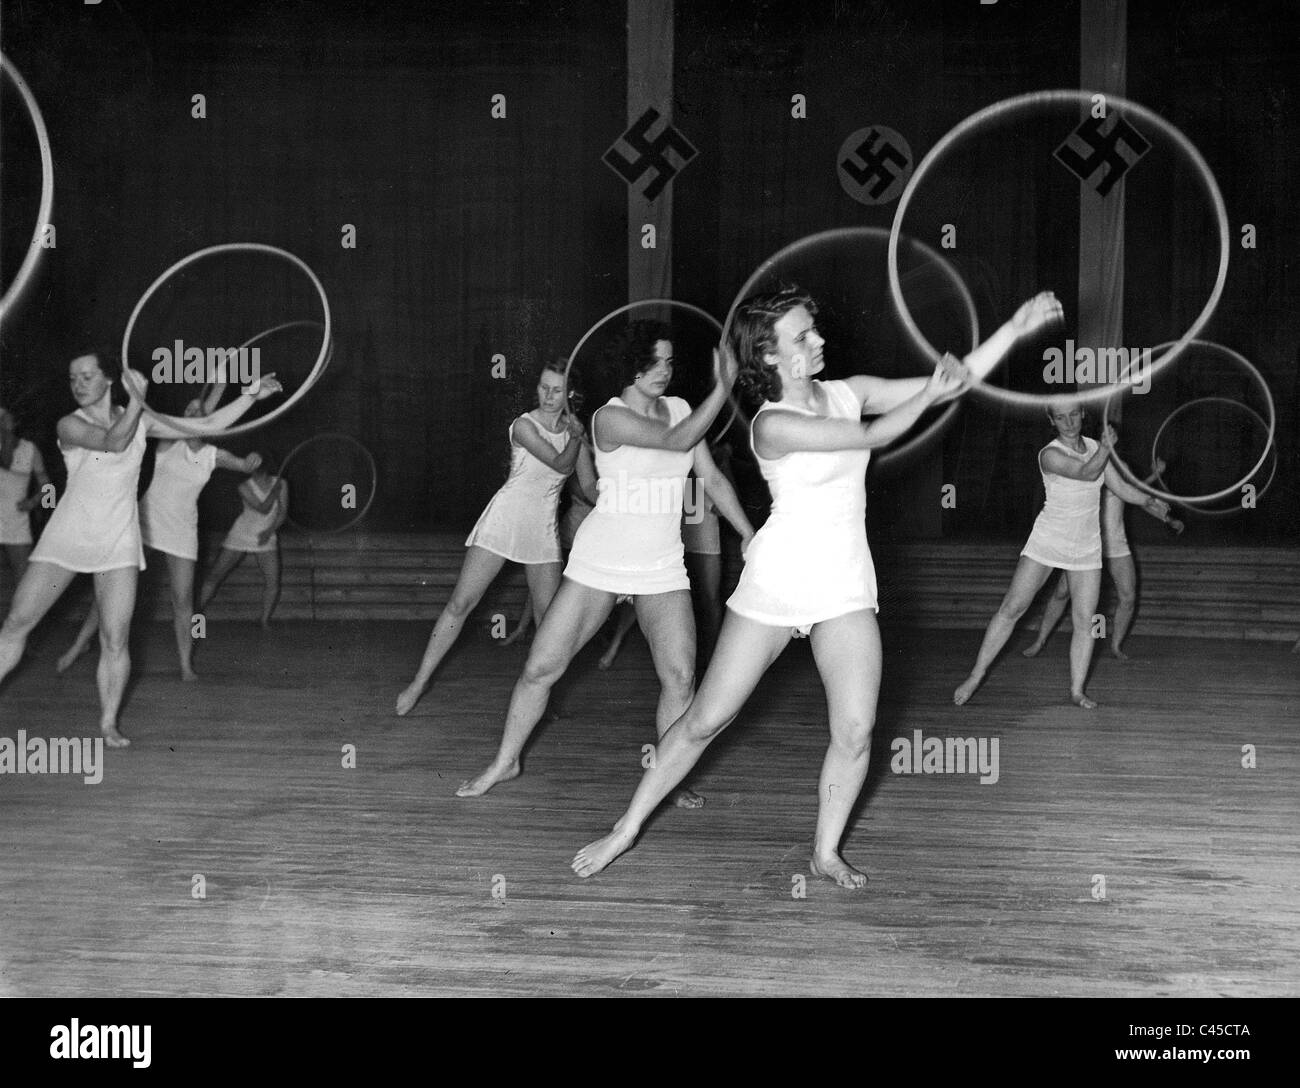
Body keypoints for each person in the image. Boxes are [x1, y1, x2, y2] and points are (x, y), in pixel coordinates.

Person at [571, 287, 1063, 885]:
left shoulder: (845, 392)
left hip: (844, 581)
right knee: (704, 720)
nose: (819, 340)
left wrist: (1012, 325)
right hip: (778, 582)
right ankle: (624, 830)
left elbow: (949, 382)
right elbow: (874, 437)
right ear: (771, 357)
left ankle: (824, 852)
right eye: (802, 336)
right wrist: (932, 392)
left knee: (856, 731)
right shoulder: (771, 425)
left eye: (815, 330)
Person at [456, 321, 754, 803]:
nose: (665, 370)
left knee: (680, 677)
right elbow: (676, 441)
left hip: (661, 564)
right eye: (654, 361)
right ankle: (505, 761)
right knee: (540, 669)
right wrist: (724, 386)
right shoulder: (606, 419)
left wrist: (748, 533)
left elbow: (713, 479)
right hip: (601, 559)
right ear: (631, 364)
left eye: (671, 361)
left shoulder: (681, 410)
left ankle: (668, 777)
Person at [0, 354, 280, 745]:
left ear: (108, 380)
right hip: (68, 536)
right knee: (17, 623)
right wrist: (137, 400)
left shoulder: (142, 418)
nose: (78, 384)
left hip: (118, 540)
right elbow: (114, 442)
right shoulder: (70, 423)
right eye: (72, 378)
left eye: (86, 376)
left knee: (116, 638)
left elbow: (205, 424)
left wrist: (250, 395)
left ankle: (108, 723)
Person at [396, 360, 586, 713]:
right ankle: (419, 682)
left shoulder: (576, 434)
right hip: (505, 519)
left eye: (557, 389)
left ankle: (543, 697)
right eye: (543, 387)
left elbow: (588, 486)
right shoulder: (523, 426)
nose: (547, 395)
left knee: (549, 622)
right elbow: (560, 464)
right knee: (461, 603)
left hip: (542, 530)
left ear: (570, 394)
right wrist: (576, 438)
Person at [953, 402, 1170, 709]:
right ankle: (975, 676)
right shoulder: (1049, 454)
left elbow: (1120, 488)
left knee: (1084, 620)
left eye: (1073, 415)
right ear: (1051, 420)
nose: (1068, 422)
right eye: (1060, 417)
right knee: (1012, 607)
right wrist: (1107, 449)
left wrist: (1150, 501)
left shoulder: (1095, 447)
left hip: (1086, 545)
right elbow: (1086, 471)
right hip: (1048, 539)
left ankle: (1077, 690)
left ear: (1083, 414)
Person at [56, 391, 264, 680]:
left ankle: (185, 665)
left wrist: (250, 461)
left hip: (181, 530)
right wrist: (215, 389)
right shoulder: (169, 442)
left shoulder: (212, 455)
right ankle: (78, 644)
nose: (191, 414)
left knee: (183, 600)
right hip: (145, 523)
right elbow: (197, 416)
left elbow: (242, 465)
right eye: (188, 409)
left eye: (198, 411)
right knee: (108, 590)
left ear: (208, 420)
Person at [1022, 454, 1183, 661]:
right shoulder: (1086, 465)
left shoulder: (1123, 465)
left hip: (1116, 544)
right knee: (1063, 592)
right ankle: (1040, 640)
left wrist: (1168, 518)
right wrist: (1154, 476)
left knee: (1128, 596)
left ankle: (1115, 646)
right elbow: (1116, 490)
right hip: (1088, 543)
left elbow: (1135, 496)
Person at [197, 455, 289, 629]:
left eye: (258, 470)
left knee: (273, 581)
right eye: (252, 470)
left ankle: (264, 620)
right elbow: (263, 509)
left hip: (266, 534)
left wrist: (269, 532)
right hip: (242, 533)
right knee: (215, 575)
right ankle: (194, 614)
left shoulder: (281, 483)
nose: (254, 473)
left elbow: (282, 512)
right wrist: (274, 493)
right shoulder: (244, 486)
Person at [0, 403, 51, 579]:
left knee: (24, 580)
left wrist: (36, 504)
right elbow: (6, 460)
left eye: (5, 417)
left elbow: (48, 486)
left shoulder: (30, 449)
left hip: (16, 524)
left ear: (15, 421)